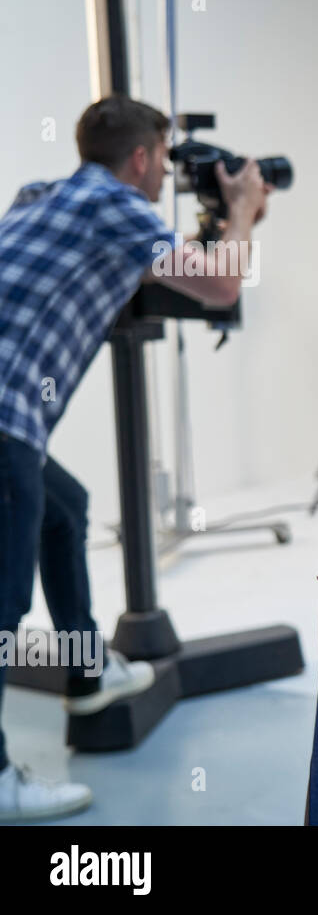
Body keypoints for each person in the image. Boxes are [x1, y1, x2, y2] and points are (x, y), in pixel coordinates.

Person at [0, 95, 271, 822]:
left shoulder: (41, 196)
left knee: (66, 509)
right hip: (4, 420)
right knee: (2, 608)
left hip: (12, 420)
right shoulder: (114, 205)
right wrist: (242, 208)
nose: (160, 181)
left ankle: (86, 671)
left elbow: (147, 267)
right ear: (144, 159)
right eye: (161, 163)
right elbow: (219, 284)